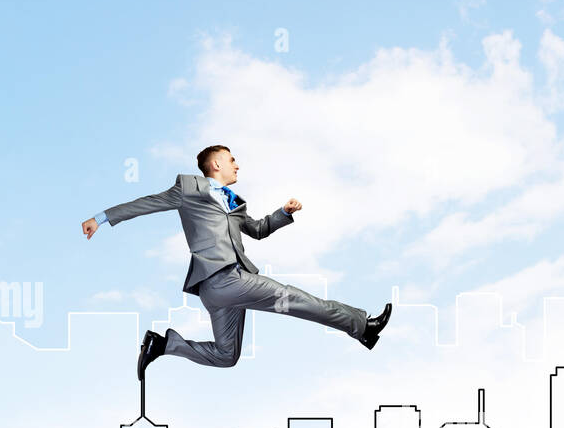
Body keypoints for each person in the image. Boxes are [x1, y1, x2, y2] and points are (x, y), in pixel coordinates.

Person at [82, 144, 393, 379]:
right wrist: (101, 218)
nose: (237, 166)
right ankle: (362, 325)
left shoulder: (233, 201)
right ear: (216, 163)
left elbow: (257, 230)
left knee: (226, 355)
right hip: (224, 278)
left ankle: (163, 346)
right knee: (295, 299)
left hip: (222, 291)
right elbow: (146, 204)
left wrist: (283, 213)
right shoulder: (188, 190)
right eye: (232, 161)